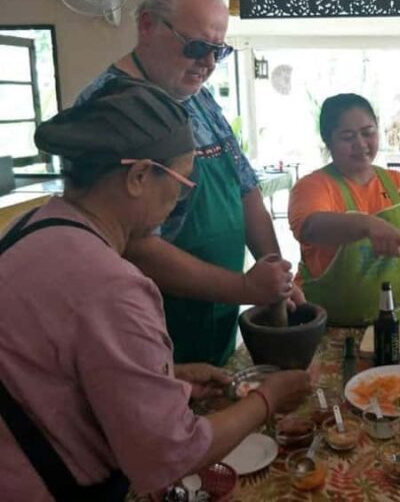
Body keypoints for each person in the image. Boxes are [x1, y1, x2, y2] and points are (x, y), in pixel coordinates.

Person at [0, 79, 310, 501]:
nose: (182, 196)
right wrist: (267, 400)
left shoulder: (30, 227)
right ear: (139, 176)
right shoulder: (112, 285)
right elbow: (170, 454)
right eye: (183, 181)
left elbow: (45, 370)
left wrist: (166, 378)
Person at [74, 0, 301, 366]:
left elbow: (245, 188)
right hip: (153, 327)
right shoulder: (108, 108)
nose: (209, 63)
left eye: (219, 51)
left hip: (216, 320)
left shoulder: (199, 96)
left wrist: (275, 274)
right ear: (147, 25)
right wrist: (244, 288)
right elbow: (133, 245)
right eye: (196, 46)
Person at [288, 94, 400, 327]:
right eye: (348, 137)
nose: (360, 144)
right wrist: (366, 225)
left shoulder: (399, 184)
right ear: (328, 140)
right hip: (331, 327)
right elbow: (311, 228)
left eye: (368, 133)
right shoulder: (312, 186)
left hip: (398, 323)